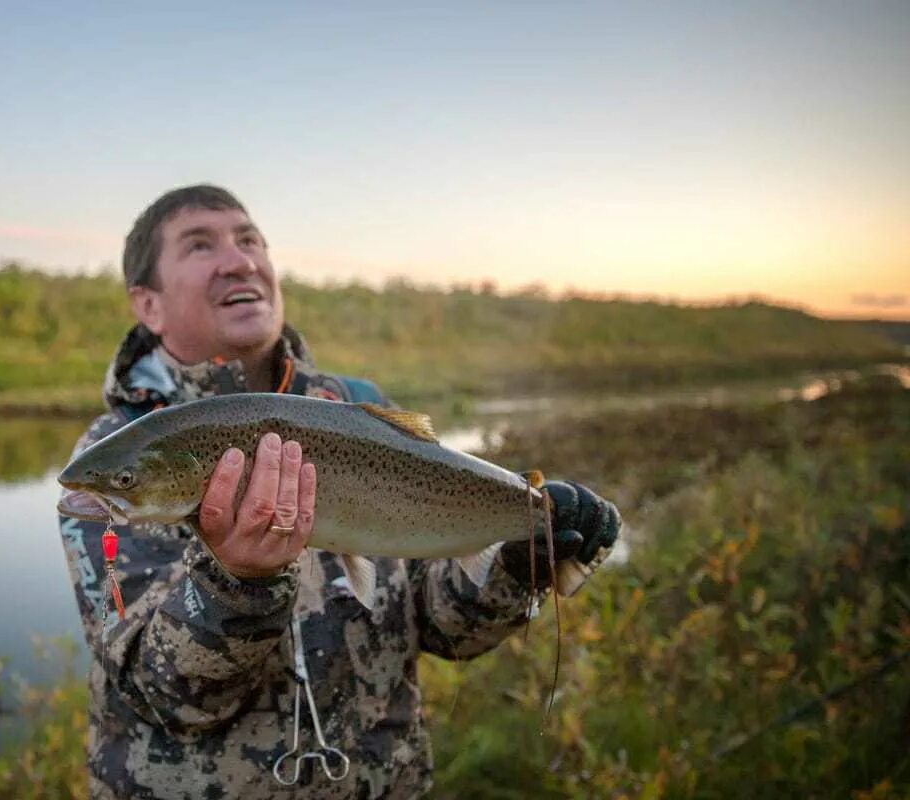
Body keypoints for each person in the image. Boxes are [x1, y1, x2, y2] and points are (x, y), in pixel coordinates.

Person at [57, 185, 620, 799]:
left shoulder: (359, 408)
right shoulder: (111, 459)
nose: (239, 260)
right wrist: (234, 584)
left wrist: (521, 560)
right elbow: (160, 693)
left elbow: (442, 627)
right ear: (150, 305)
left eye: (250, 240)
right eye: (200, 245)